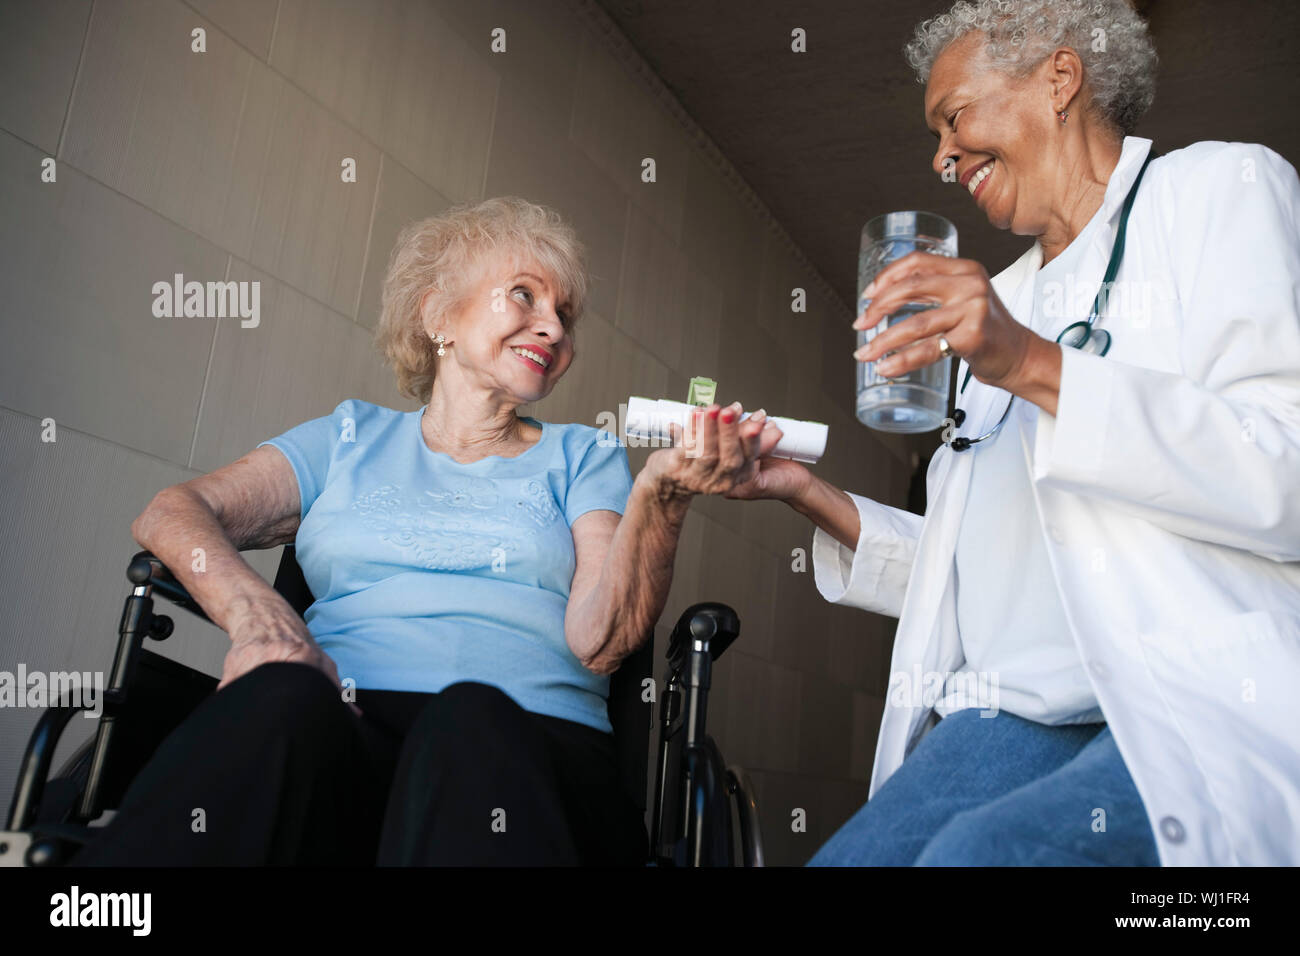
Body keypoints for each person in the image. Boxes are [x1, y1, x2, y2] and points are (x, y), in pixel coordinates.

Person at [727, 0, 1300, 865]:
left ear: (1059, 79)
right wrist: (805, 492)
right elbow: (992, 569)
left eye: (953, 117)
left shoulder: (1219, 190)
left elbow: (1282, 474)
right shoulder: (1004, 301)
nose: (942, 157)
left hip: (1178, 698)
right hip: (1002, 716)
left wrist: (1031, 364)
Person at [74, 197, 780, 866]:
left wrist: (664, 496)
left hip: (524, 754)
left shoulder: (583, 456)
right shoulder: (348, 437)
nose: (556, 328)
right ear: (438, 312)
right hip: (340, 742)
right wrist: (257, 617)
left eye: (565, 314)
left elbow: (602, 644)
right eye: (526, 296)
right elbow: (172, 512)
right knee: (279, 700)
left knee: (468, 718)